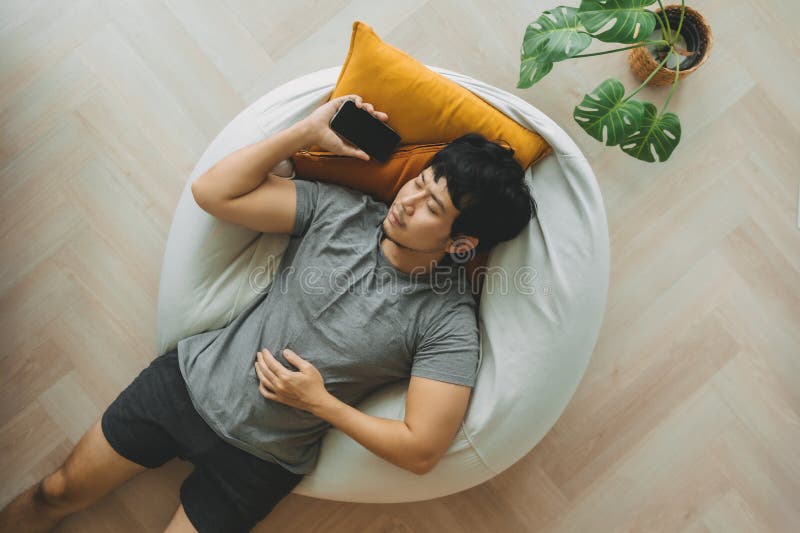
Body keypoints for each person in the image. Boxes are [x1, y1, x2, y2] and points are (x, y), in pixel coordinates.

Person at [0, 95, 536, 533]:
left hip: (261, 464)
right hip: (189, 385)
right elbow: (213, 192)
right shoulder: (343, 212)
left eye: (432, 208)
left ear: (462, 243)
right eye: (420, 181)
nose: (409, 200)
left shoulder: (449, 321)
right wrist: (304, 133)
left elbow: (421, 450)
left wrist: (321, 404)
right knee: (57, 491)